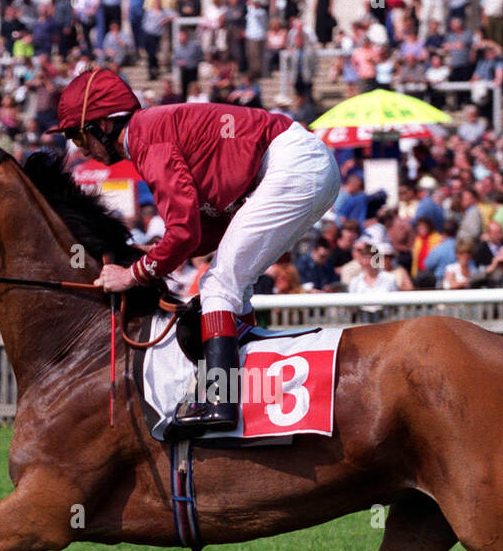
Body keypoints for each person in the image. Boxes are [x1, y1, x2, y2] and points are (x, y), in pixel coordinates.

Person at [47, 67, 339, 436]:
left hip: (294, 163)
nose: (78, 146)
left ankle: (222, 401)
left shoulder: (146, 138)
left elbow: (184, 232)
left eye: (77, 133)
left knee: (218, 285)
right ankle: (250, 390)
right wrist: (153, 254)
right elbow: (202, 231)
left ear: (104, 124)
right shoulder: (151, 132)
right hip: (302, 162)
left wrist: (133, 273)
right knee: (234, 284)